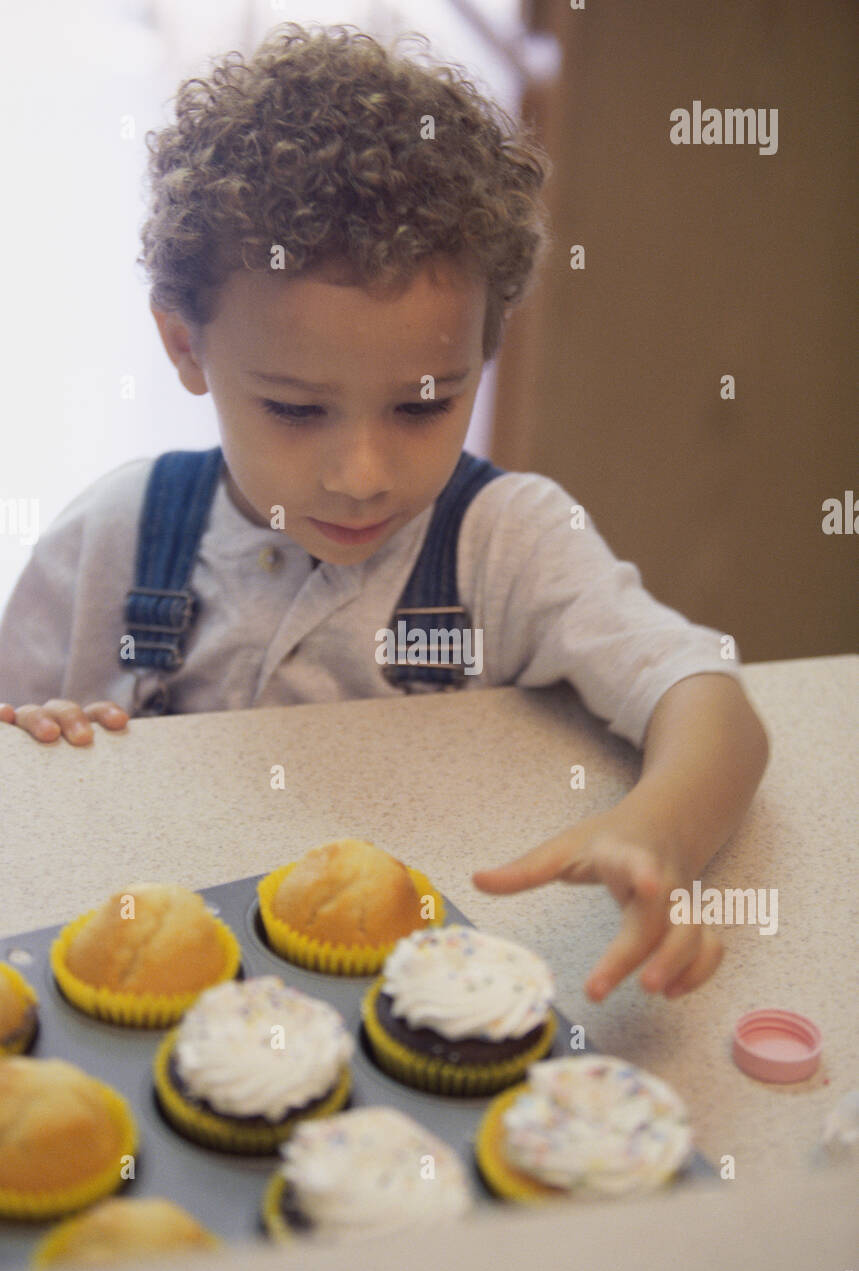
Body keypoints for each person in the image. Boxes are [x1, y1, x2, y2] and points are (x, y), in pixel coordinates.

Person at [0, 23, 769, 1002]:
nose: (360, 475)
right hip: (156, 990)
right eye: (294, 407)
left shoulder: (506, 543)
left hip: (413, 995)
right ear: (185, 347)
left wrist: (655, 832)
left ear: (484, 350)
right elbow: (16, 764)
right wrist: (46, 742)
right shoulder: (114, 538)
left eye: (421, 404)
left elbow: (710, 702)